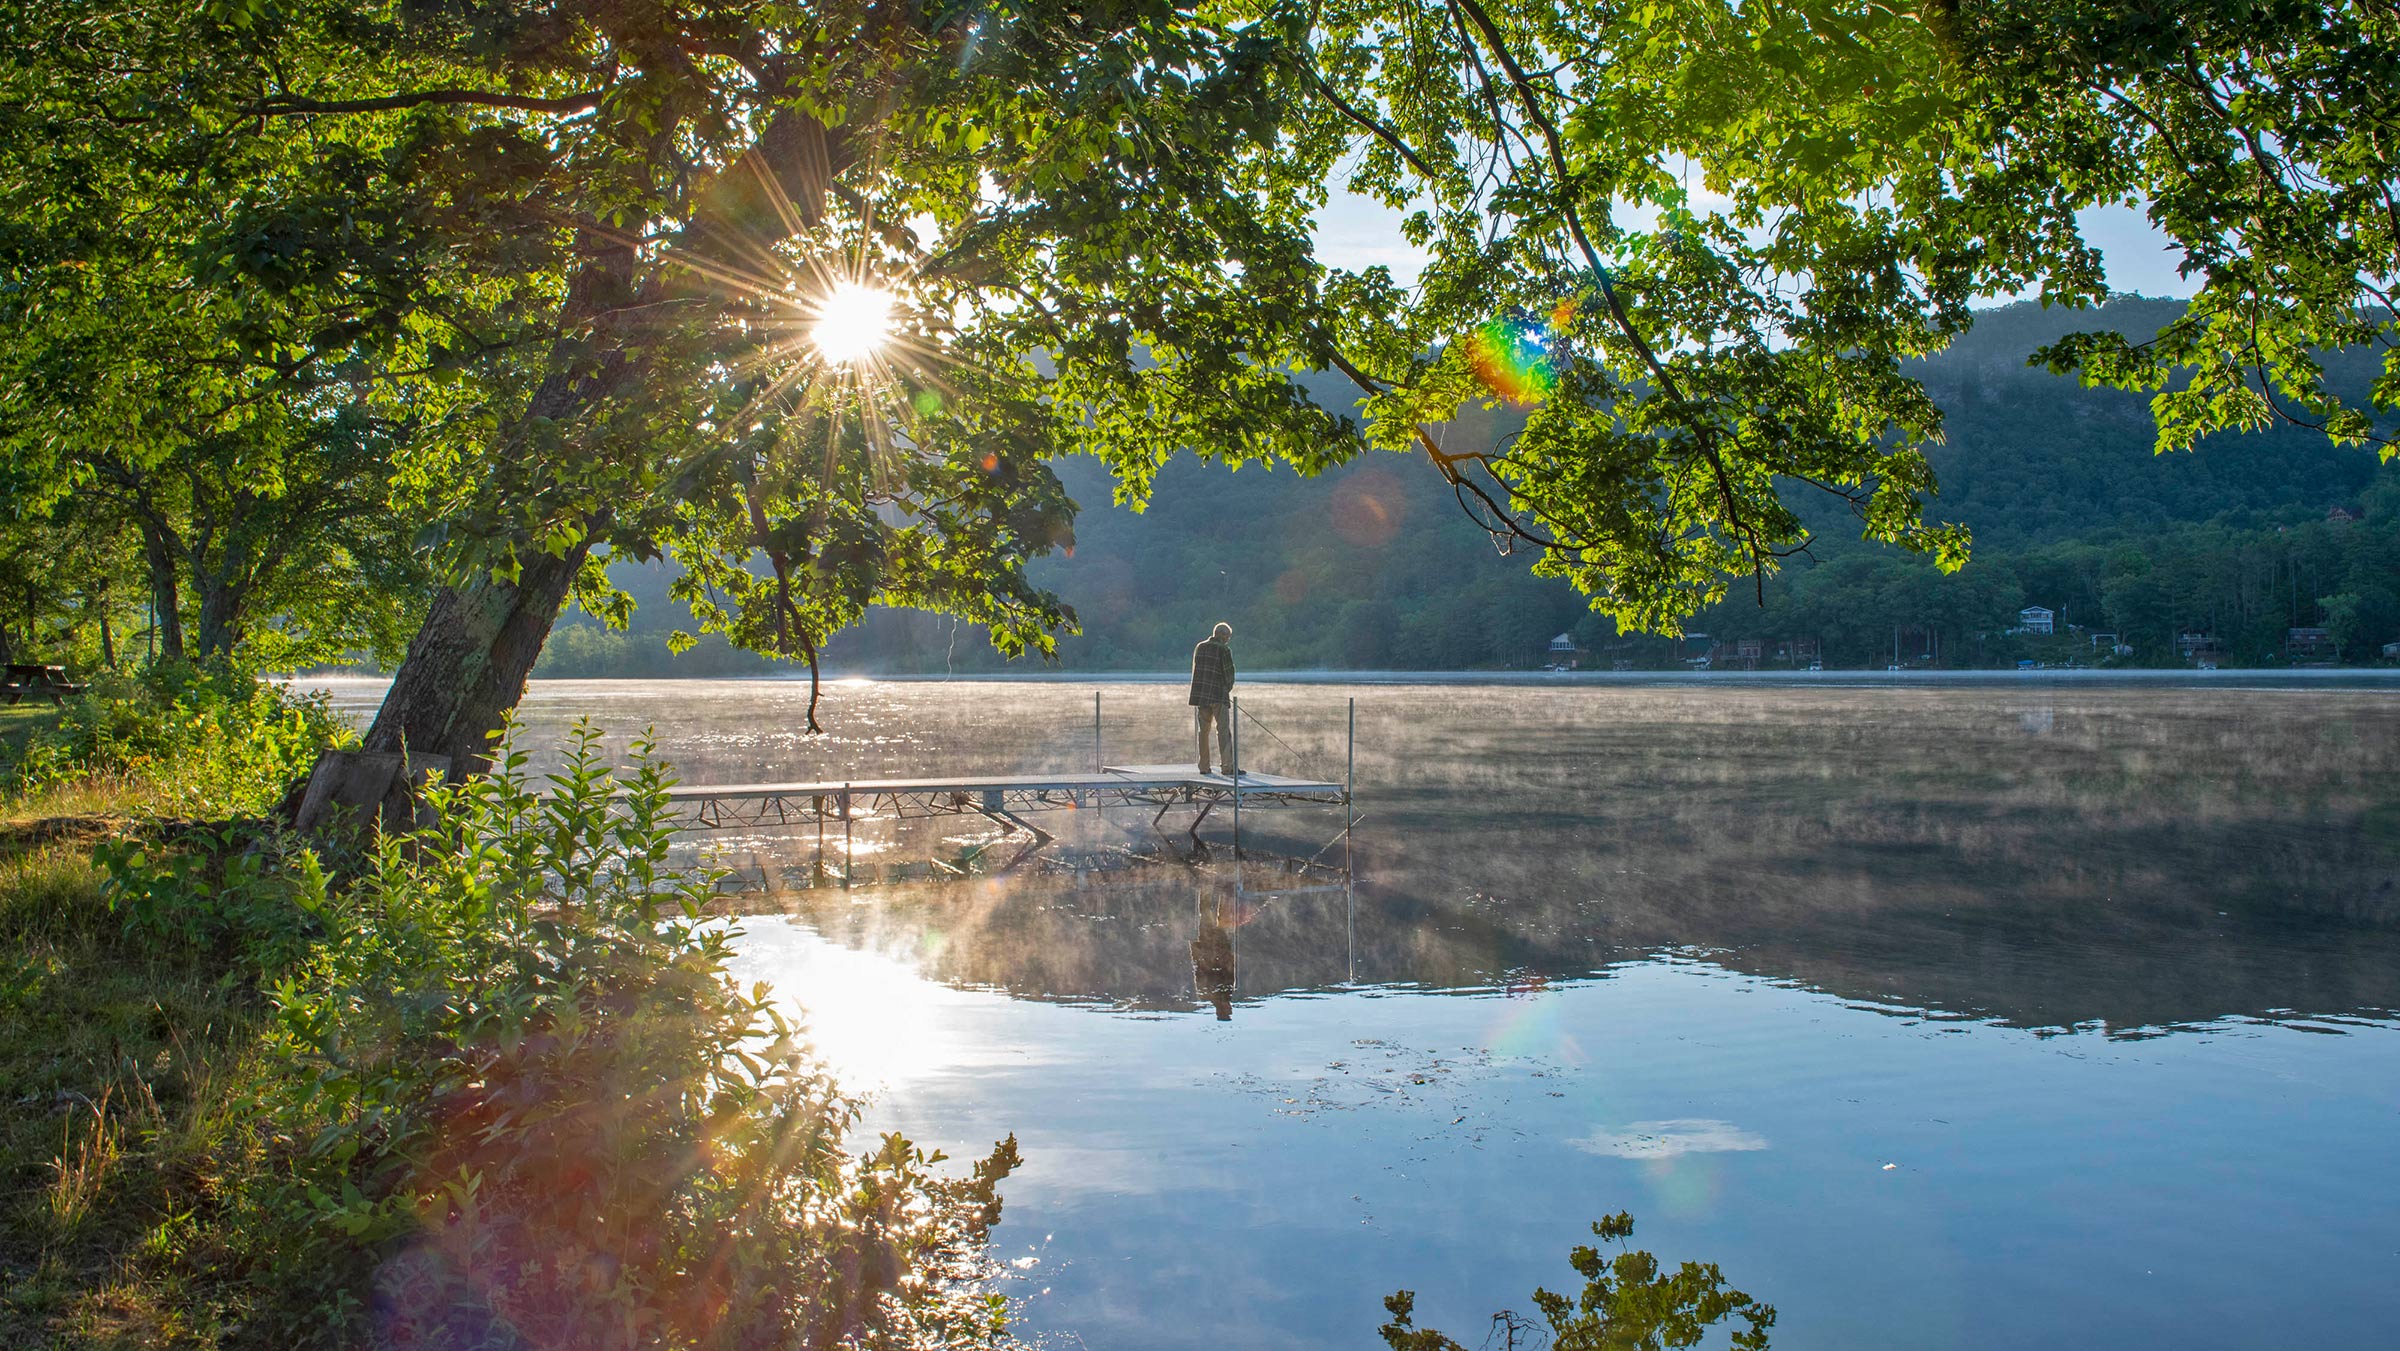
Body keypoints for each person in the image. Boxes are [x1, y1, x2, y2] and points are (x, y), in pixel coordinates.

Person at [1189, 621, 1236, 776]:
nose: (1228, 640)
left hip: (1201, 695)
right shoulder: (1224, 649)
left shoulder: (1200, 647)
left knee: (1203, 731)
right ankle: (1227, 767)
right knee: (1223, 731)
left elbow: (1196, 671)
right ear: (1221, 635)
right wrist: (1226, 689)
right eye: (1228, 636)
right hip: (1218, 695)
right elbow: (1229, 675)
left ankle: (1204, 766)